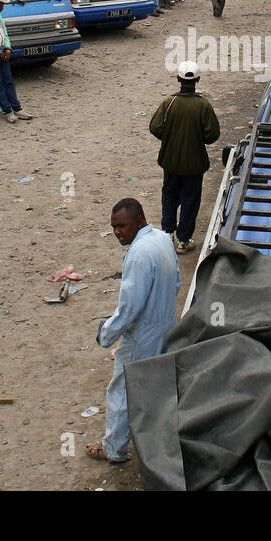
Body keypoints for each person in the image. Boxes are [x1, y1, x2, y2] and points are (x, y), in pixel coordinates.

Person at [86, 197, 180, 464]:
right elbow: (176, 281)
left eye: (122, 226)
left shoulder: (138, 254)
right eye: (114, 227)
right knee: (156, 387)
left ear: (139, 221)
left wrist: (106, 334)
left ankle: (114, 449)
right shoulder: (162, 239)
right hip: (165, 324)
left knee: (122, 391)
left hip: (142, 334)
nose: (117, 232)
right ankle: (155, 441)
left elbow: (129, 308)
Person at [149, 61, 221, 252]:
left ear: (178, 79)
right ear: (197, 79)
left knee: (169, 197)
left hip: (170, 162)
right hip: (194, 165)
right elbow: (212, 135)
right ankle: (183, 240)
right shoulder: (203, 106)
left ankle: (167, 234)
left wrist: (170, 137)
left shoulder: (168, 103)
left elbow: (155, 128)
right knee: (190, 200)